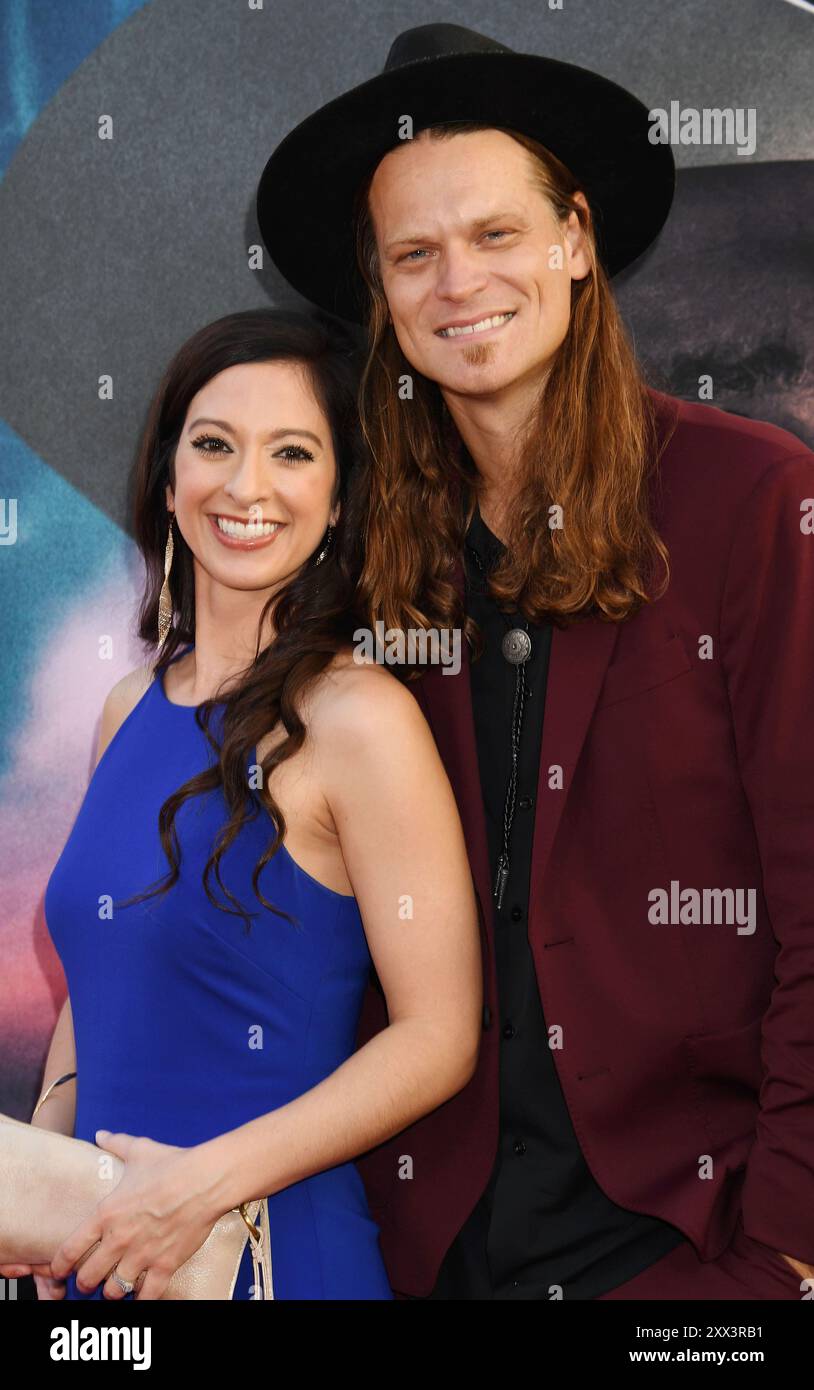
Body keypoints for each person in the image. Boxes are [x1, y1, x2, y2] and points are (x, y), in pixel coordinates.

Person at [256, 23, 814, 1299]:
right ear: (382, 296)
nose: (458, 283)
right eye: (415, 253)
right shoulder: (361, 564)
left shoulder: (754, 502)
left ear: (574, 239)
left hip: (688, 1242)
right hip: (424, 1247)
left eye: (495, 235)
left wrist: (786, 1249)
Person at [4, 307, 481, 1300]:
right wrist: (43, 1202)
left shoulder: (360, 719)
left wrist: (195, 1190)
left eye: (293, 453)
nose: (246, 485)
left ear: (340, 498)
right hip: (111, 1259)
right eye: (214, 444)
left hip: (267, 1258)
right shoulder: (126, 709)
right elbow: (103, 978)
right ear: (168, 477)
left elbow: (437, 1036)